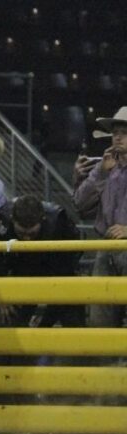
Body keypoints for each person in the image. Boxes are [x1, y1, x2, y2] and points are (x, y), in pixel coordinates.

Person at [0, 195, 84, 329]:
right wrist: (2, 295)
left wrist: (44, 324)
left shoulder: (59, 221)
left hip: (55, 267)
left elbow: (67, 266)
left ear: (42, 220)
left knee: (70, 313)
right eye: (21, 233)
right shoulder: (1, 218)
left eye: (31, 234)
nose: (27, 239)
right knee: (9, 317)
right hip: (19, 267)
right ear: (13, 220)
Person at [73, 106, 127, 328]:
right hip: (106, 247)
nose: (117, 136)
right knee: (100, 319)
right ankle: (105, 362)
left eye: (124, 132)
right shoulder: (104, 166)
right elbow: (80, 203)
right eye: (115, 131)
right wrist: (102, 173)